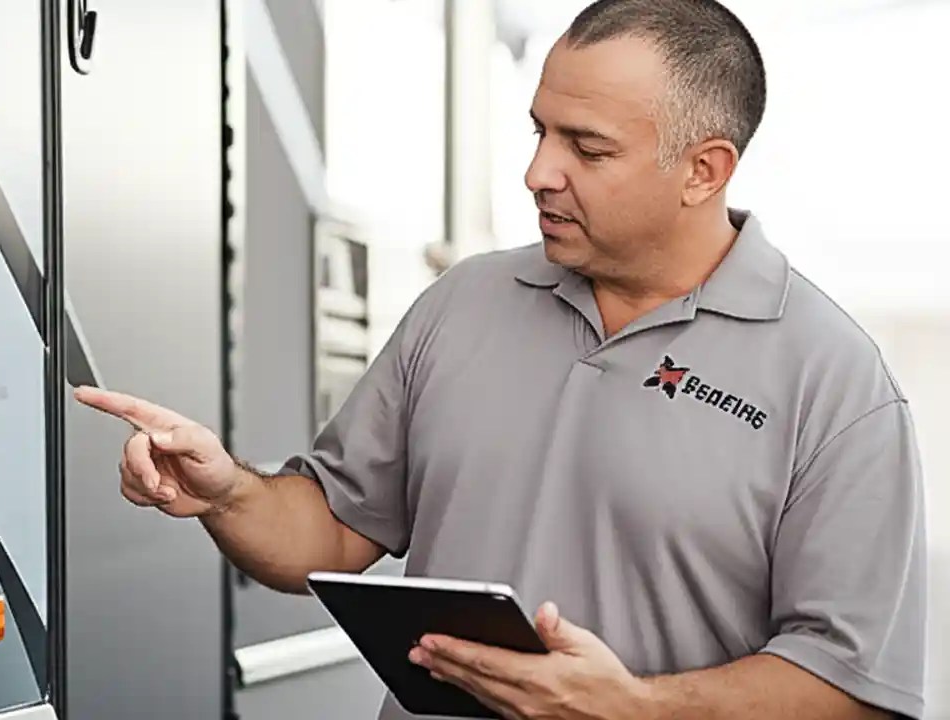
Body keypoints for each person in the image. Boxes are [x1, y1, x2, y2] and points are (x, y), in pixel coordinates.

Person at [76, 0, 927, 717]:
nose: (537, 172)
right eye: (538, 132)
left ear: (704, 171)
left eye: (586, 149)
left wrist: (631, 705)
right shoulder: (466, 301)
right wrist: (230, 493)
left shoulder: (834, 382)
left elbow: (853, 686)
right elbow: (332, 532)